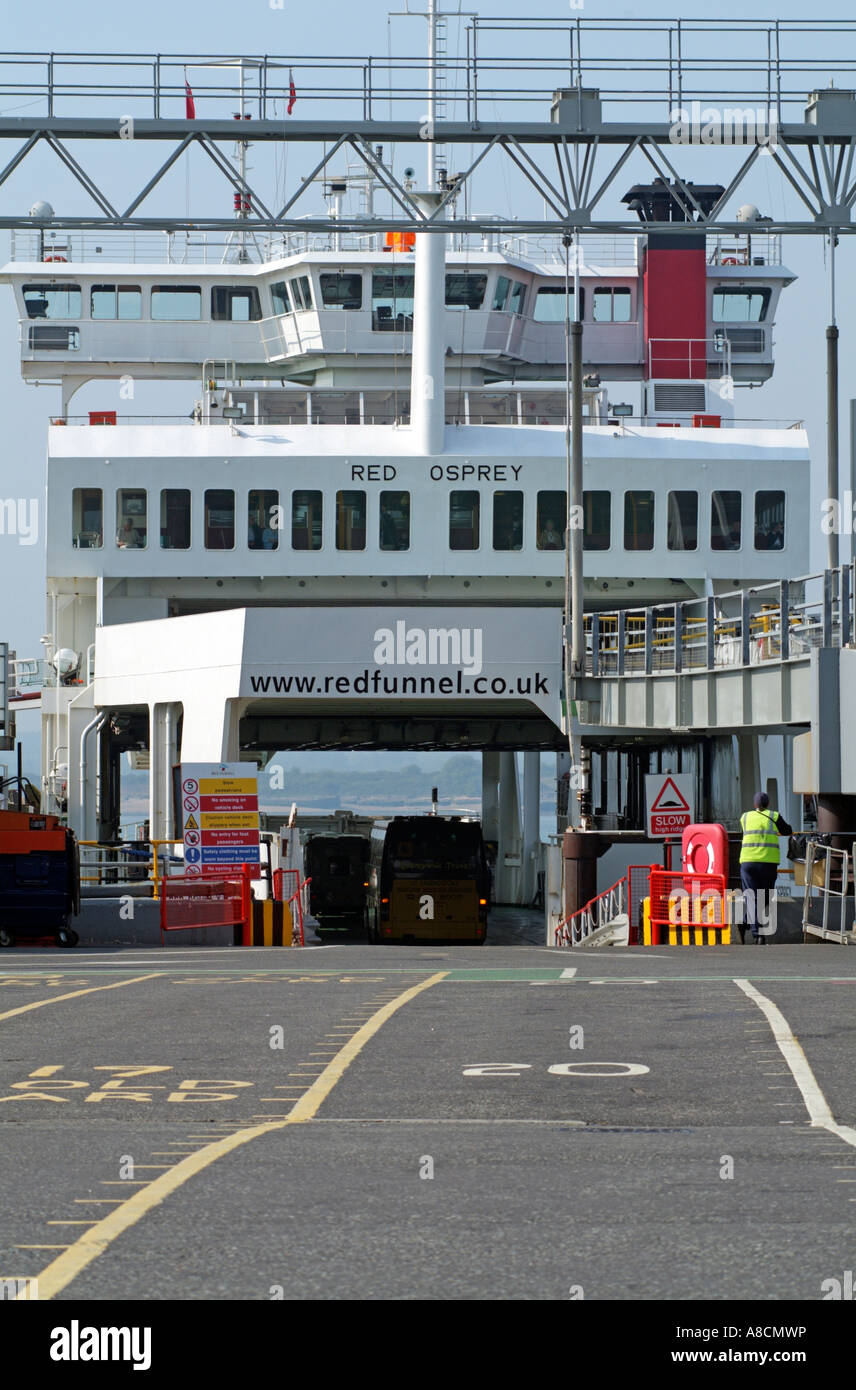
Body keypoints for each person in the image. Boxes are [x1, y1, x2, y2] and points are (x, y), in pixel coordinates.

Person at [739, 792, 792, 943]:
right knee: (766, 896)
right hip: (768, 862)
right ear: (768, 804)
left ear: (754, 804)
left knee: (753, 897)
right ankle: (758, 934)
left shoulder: (745, 817)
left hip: (748, 862)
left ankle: (745, 922)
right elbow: (787, 830)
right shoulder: (774, 816)